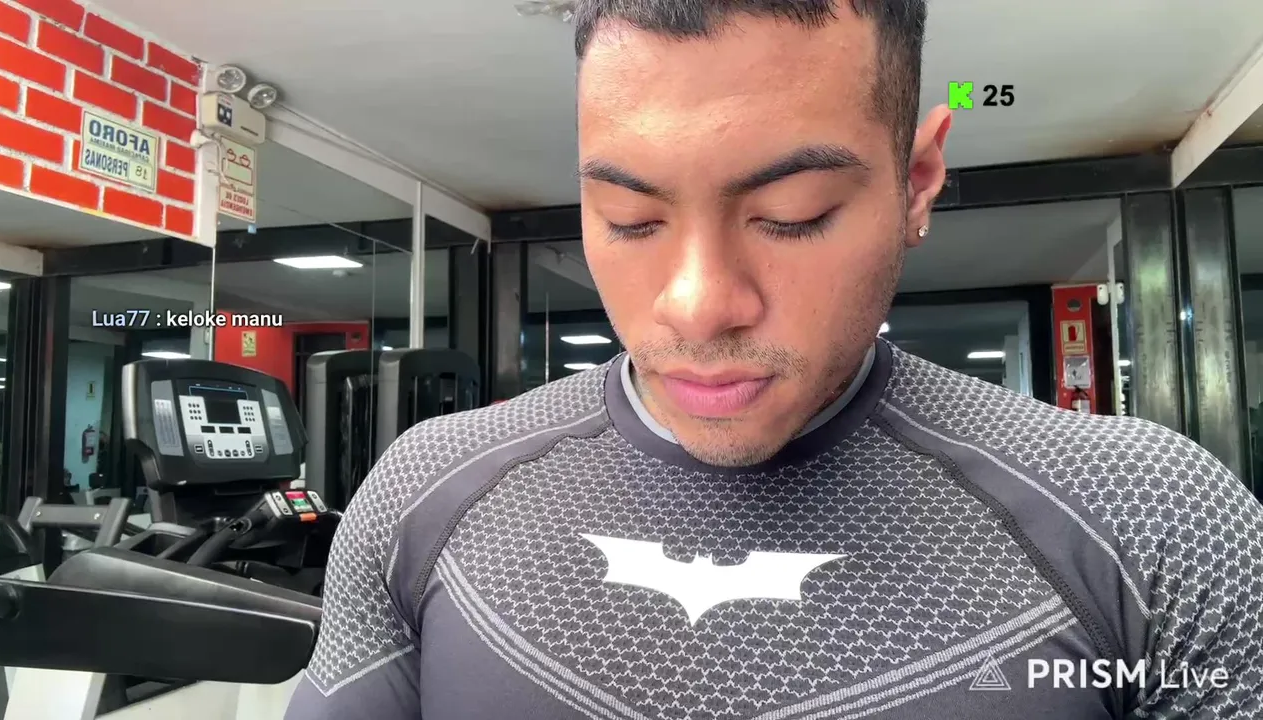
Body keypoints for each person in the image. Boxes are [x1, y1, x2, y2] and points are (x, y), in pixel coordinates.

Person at [285, 1, 1263, 717]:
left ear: (917, 183)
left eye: (792, 216)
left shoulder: (1152, 519)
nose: (697, 304)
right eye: (630, 218)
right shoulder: (423, 493)